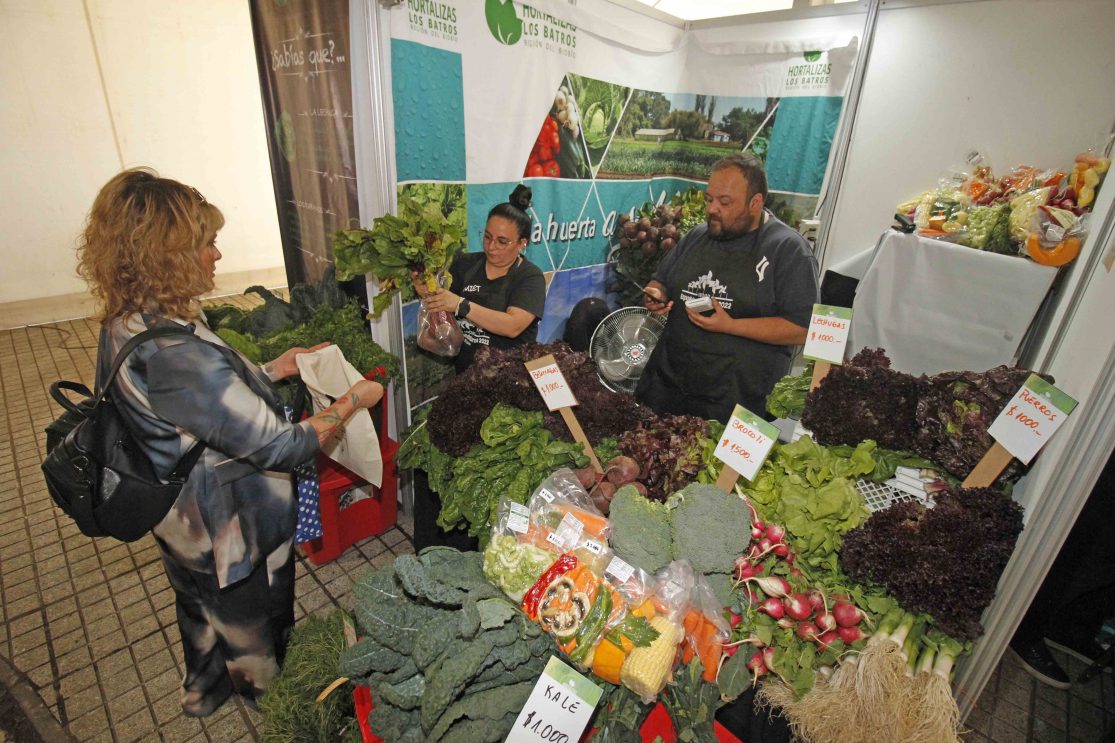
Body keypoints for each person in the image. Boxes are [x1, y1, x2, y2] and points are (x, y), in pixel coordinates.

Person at [75, 168, 384, 716]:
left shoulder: (133, 320)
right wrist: (353, 400)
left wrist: (274, 366)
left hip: (181, 518)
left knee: (198, 606)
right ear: (165, 254)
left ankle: (203, 692)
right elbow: (282, 448)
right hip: (226, 527)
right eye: (205, 243)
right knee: (252, 625)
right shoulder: (176, 354)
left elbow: (198, 406)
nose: (217, 254)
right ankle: (273, 708)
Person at [636, 153, 819, 423]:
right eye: (710, 199)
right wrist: (656, 295)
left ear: (755, 203)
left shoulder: (787, 250)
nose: (712, 209)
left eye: (725, 202)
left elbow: (803, 328)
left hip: (734, 403)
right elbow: (660, 280)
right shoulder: (697, 236)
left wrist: (731, 325)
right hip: (667, 388)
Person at [415, 184, 546, 371]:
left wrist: (462, 305)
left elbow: (512, 326)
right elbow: (444, 319)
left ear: (522, 243)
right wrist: (429, 294)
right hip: (465, 376)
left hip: (509, 378)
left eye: (502, 242)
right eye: (487, 237)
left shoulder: (530, 277)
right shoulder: (465, 265)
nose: (491, 246)